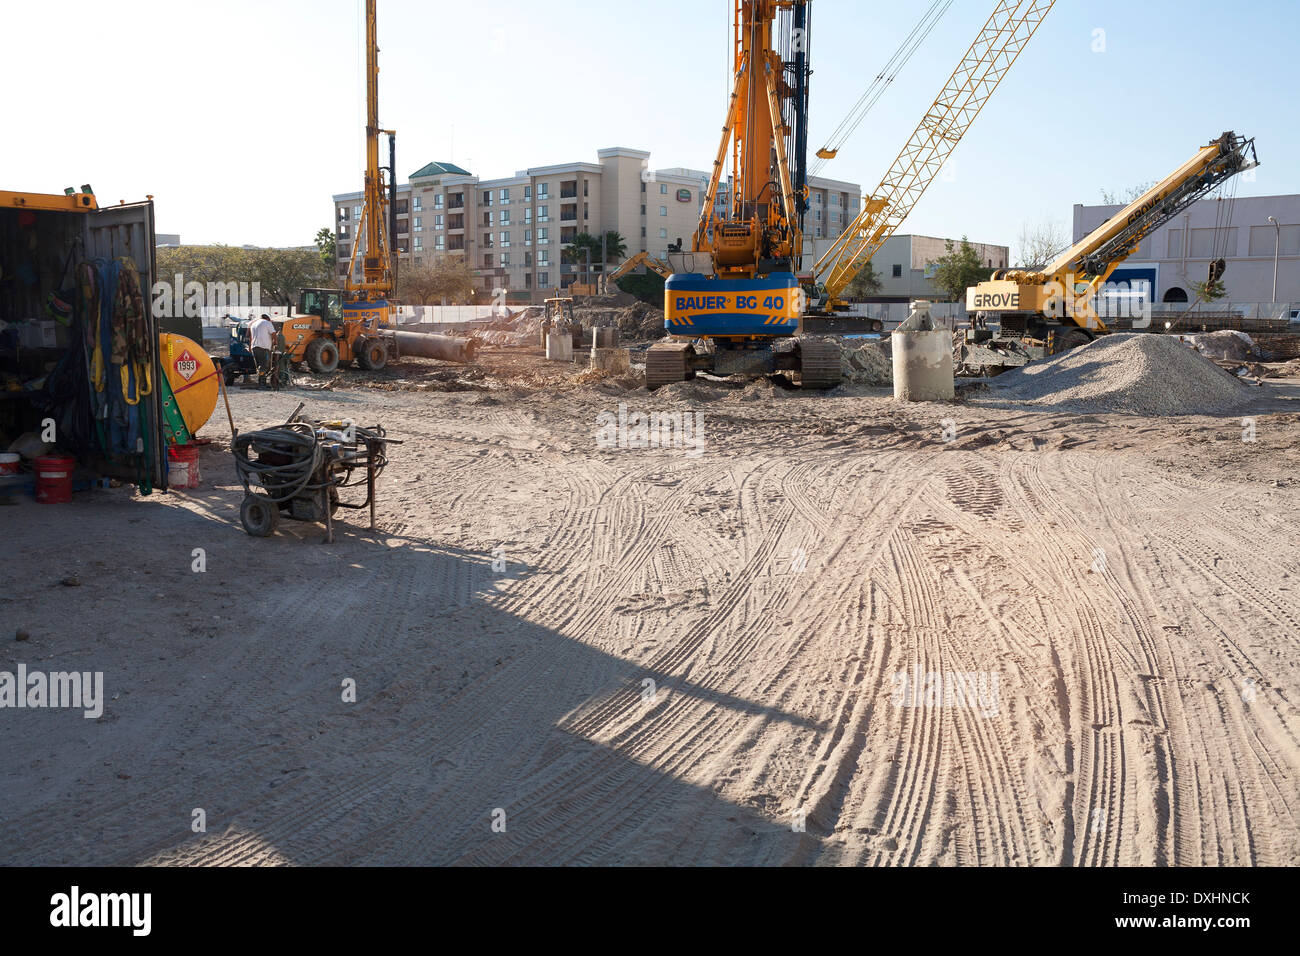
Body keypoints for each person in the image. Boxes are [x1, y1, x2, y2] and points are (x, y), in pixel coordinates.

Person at [248, 314, 276, 386]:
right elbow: (273, 333)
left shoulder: (253, 324)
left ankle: (261, 382)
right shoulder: (267, 323)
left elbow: (251, 337)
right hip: (263, 347)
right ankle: (262, 384)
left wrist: (250, 347)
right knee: (263, 366)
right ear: (267, 319)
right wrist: (275, 343)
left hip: (254, 347)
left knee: (259, 366)